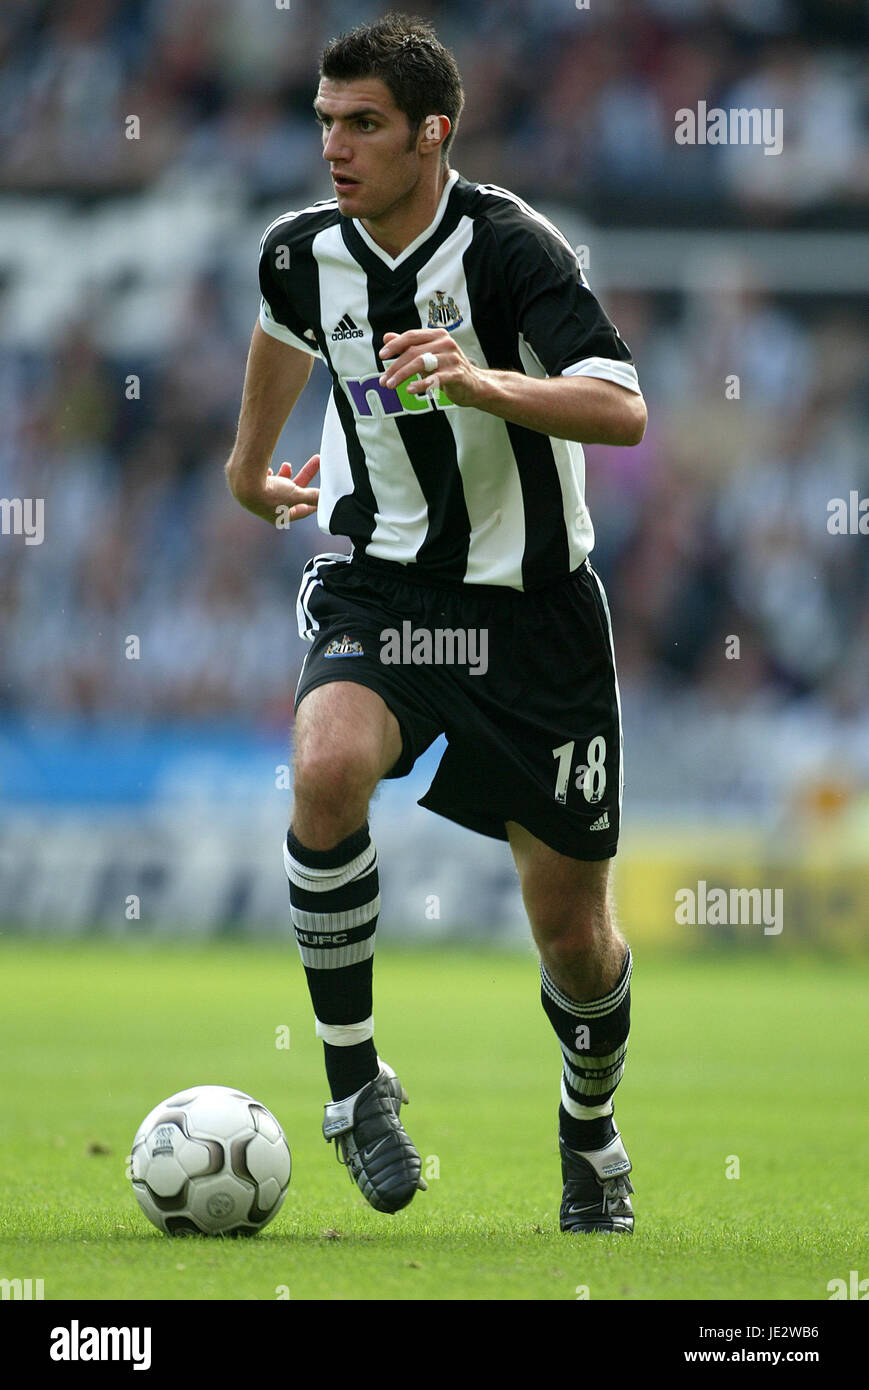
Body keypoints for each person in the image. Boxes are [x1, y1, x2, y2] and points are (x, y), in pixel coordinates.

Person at [225, 12, 647, 1234]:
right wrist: (253, 469)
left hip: (532, 619)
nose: (335, 148)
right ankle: (354, 1085)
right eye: (324, 123)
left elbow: (620, 412)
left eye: (362, 125)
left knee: (573, 942)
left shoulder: (515, 250)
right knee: (325, 765)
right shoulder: (302, 254)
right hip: (386, 587)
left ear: (432, 134)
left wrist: (475, 378)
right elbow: (280, 331)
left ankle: (588, 1137)